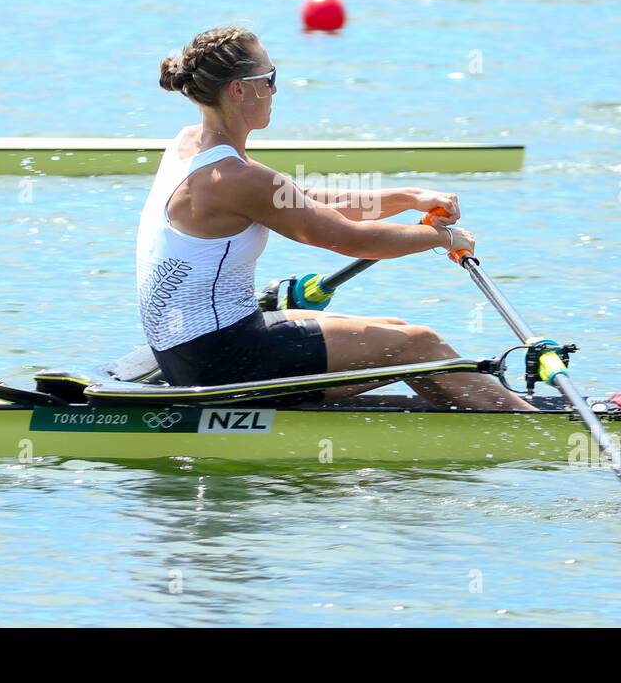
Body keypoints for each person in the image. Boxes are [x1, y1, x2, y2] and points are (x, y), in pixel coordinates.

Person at [137, 26, 535, 411]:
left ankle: (476, 417)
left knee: (395, 329)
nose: (276, 90)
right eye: (270, 78)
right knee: (418, 344)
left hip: (192, 346)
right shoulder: (236, 179)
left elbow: (300, 199)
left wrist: (410, 198)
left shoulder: (192, 142)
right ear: (240, 89)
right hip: (221, 361)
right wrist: (445, 239)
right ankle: (531, 431)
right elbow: (351, 239)